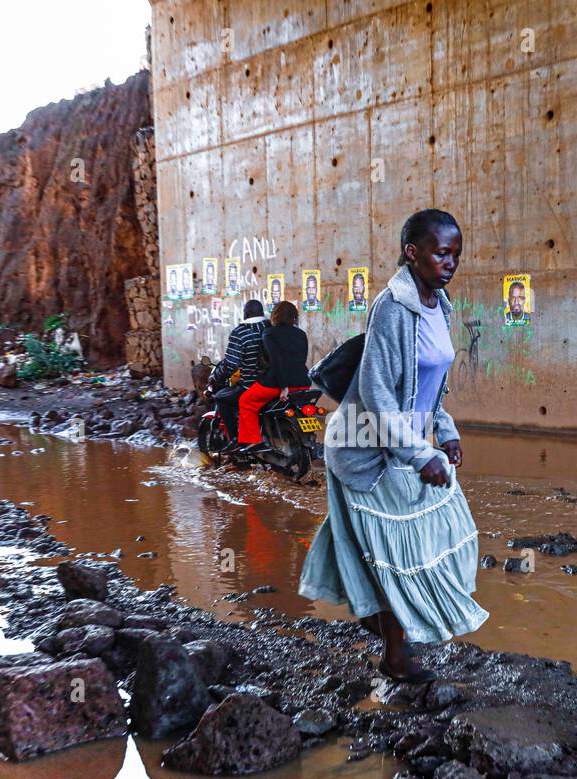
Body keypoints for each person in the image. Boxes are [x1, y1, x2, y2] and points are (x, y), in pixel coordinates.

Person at [299, 208, 486, 682]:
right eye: (442, 253)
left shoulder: (440, 305)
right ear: (412, 252)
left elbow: (429, 384)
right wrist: (421, 454)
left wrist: (445, 433)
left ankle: (382, 632)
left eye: (456, 254)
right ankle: (395, 655)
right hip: (365, 447)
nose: (450, 263)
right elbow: (380, 393)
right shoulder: (391, 307)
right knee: (399, 555)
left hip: (405, 443)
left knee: (445, 536)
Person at [236, 301, 311, 450]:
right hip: (303, 382)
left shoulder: (269, 333)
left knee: (245, 401)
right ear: (294, 317)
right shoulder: (301, 334)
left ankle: (254, 440)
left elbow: (276, 361)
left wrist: (284, 387)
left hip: (277, 384)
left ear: (275, 315)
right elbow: (302, 359)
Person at [206, 299, 267, 440]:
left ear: (245, 314)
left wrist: (216, 377)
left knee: (221, 397)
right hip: (274, 382)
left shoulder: (240, 332)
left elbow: (231, 364)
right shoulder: (271, 328)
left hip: (251, 384)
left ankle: (234, 438)